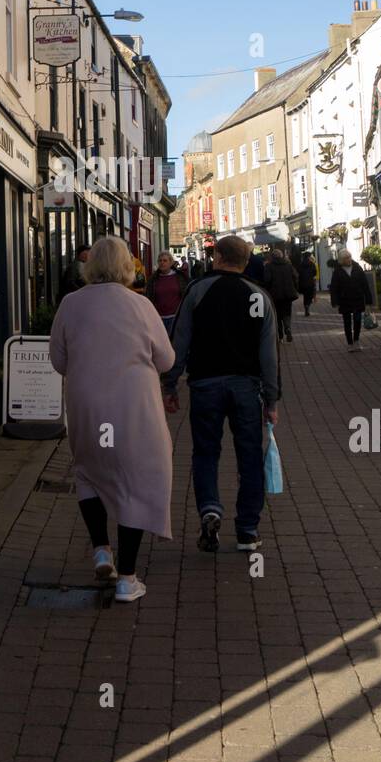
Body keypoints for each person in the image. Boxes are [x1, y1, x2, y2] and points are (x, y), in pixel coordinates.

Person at [49, 236, 175, 602]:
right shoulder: (141, 306)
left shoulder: (71, 304)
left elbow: (58, 361)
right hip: (133, 406)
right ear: (127, 266)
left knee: (88, 472)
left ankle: (102, 550)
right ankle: (128, 579)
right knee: (136, 480)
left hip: (86, 405)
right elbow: (166, 360)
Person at [161, 235, 280, 554]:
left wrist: (170, 384)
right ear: (244, 262)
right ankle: (247, 530)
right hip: (246, 386)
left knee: (205, 453)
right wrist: (272, 399)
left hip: (205, 384)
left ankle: (210, 509)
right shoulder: (259, 296)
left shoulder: (197, 290)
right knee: (250, 456)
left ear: (217, 258)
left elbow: (180, 341)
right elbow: (269, 354)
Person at [329, 248, 373, 350]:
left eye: (349, 257)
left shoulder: (357, 268)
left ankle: (356, 340)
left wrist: (368, 300)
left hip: (357, 297)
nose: (349, 260)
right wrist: (335, 301)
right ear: (341, 260)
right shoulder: (337, 271)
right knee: (347, 321)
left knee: (357, 320)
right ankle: (349, 343)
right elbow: (334, 287)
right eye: (346, 258)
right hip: (344, 300)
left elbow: (365, 284)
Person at [146, 250, 188, 335]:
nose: (162, 263)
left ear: (171, 262)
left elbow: (186, 295)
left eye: (165, 260)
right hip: (158, 318)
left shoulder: (180, 277)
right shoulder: (153, 279)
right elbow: (148, 297)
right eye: (160, 260)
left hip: (175, 317)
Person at [264, 248, 299, 342]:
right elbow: (295, 277)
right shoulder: (288, 265)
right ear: (282, 256)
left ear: (272, 256)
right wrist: (295, 288)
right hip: (288, 294)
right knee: (287, 311)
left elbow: (267, 280)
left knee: (277, 314)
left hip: (274, 295)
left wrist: (267, 290)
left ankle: (280, 335)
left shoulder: (269, 266)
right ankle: (287, 328)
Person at [297, 252, 317, 317]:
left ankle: (306, 306)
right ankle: (307, 305)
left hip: (302, 283)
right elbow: (315, 273)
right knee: (310, 295)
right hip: (310, 282)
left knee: (305, 296)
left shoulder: (300, 264)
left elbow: (298, 272)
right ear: (308, 257)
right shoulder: (312, 264)